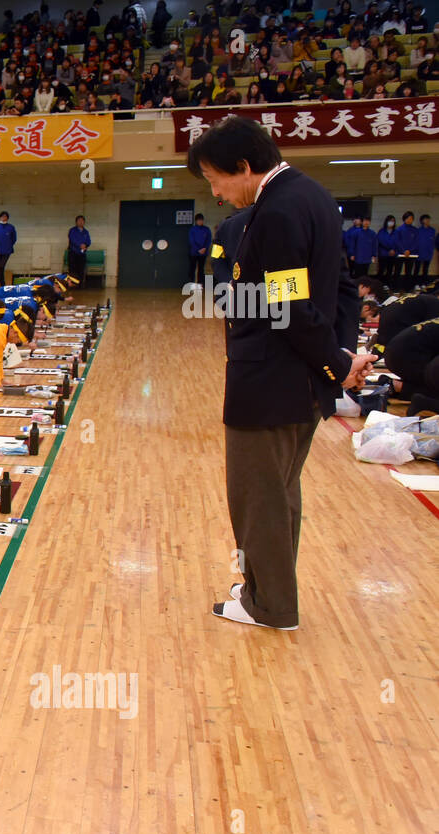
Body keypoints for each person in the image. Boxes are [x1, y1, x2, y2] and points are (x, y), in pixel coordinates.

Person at [186, 115, 373, 631]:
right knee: (282, 492)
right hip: (300, 383)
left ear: (243, 166)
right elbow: (339, 292)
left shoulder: (275, 213)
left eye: (216, 180)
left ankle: (269, 606)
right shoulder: (312, 196)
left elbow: (286, 308)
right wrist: (340, 357)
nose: (218, 193)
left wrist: (336, 362)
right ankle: (266, 589)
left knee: (258, 498)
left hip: (269, 384)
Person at [382, 316, 439, 415]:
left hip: (397, 350)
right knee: (431, 388)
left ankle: (398, 387)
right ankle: (427, 403)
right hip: (412, 355)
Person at [0, 211, 17, 287]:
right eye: (2, 216)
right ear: (0, 217)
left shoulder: (11, 227)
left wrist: (9, 245)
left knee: (1, 266)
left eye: (5, 216)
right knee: (0, 266)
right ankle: (2, 282)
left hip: (7, 250)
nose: (4, 218)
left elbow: (14, 239)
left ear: (7, 218)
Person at [188, 213, 212, 289]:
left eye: (201, 220)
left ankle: (199, 284)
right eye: (198, 220)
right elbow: (191, 241)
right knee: (192, 268)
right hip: (194, 252)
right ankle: (191, 283)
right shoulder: (192, 229)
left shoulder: (206, 229)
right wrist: (198, 249)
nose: (200, 222)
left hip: (203, 253)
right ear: (196, 221)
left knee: (201, 269)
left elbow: (208, 240)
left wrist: (205, 248)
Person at [67, 215, 91, 290]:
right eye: (79, 220)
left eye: (82, 221)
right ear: (76, 222)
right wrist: (80, 245)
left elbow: (88, 241)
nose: (81, 222)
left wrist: (85, 245)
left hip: (82, 253)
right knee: (72, 269)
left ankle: (80, 285)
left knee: (81, 269)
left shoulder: (86, 232)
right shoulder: (72, 230)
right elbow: (72, 239)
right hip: (73, 252)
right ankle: (72, 285)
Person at [377, 214, 399, 284]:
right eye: (390, 221)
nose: (391, 222)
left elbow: (398, 242)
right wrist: (388, 250)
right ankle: (379, 284)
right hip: (383, 254)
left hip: (392, 255)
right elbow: (380, 241)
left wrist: (394, 250)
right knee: (381, 270)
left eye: (393, 221)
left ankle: (388, 285)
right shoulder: (381, 231)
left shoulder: (396, 232)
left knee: (390, 271)